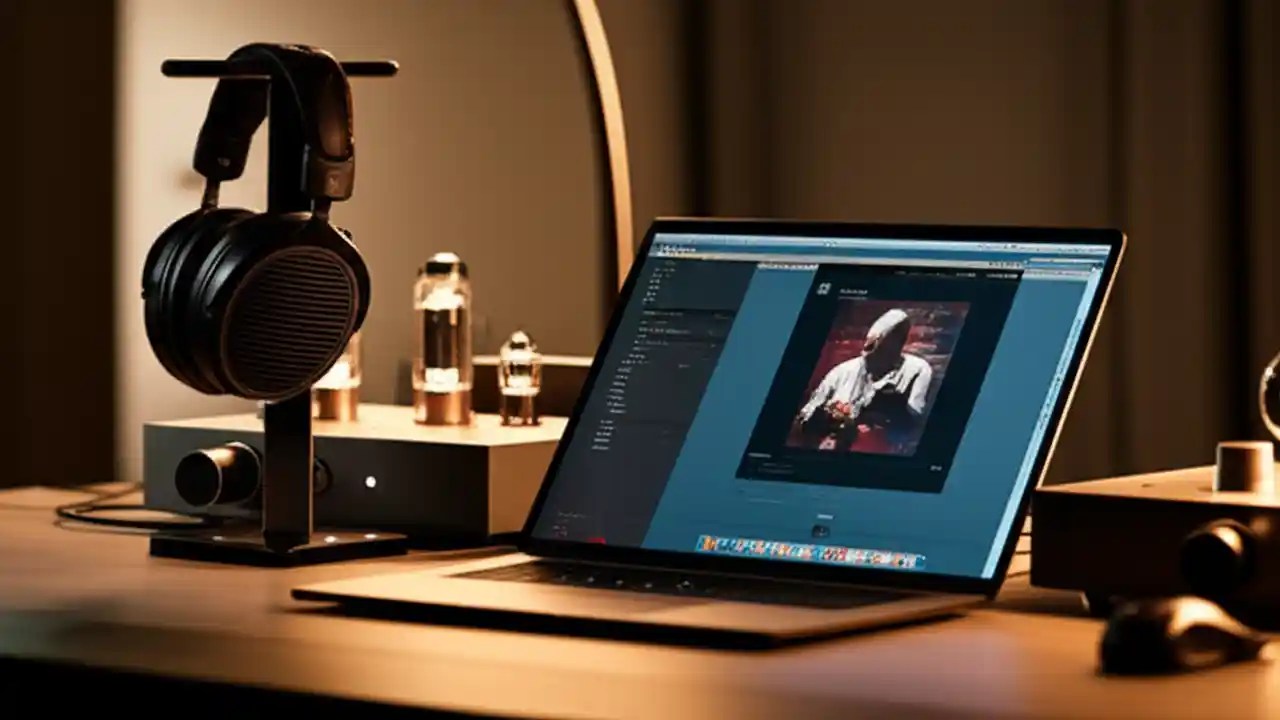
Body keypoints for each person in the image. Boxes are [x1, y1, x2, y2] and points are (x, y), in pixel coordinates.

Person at [796, 308, 933, 453]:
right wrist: (825, 419)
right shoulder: (842, 371)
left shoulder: (918, 370)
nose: (872, 360)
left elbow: (916, 425)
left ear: (900, 343)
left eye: (883, 351)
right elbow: (806, 416)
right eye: (869, 353)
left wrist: (892, 411)